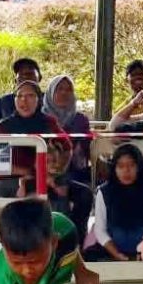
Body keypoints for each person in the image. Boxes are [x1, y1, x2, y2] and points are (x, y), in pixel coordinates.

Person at [83, 144, 143, 262]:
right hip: (110, 250)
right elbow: (100, 231)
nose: (126, 171)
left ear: (139, 167)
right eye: (120, 166)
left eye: (131, 165)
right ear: (114, 168)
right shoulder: (104, 192)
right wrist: (116, 254)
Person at [0, 80, 65, 199]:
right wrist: (30, 172)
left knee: (82, 193)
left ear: (39, 99)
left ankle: (59, 218)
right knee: (49, 191)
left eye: (30, 96)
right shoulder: (3, 126)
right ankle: (47, 217)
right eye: (19, 96)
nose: (23, 100)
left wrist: (58, 168)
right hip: (11, 179)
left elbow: (67, 147)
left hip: (44, 175)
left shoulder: (49, 122)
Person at [41, 74, 93, 238]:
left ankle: (77, 239)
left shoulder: (80, 120)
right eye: (59, 89)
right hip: (41, 174)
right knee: (58, 189)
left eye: (68, 89)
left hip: (72, 172)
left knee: (84, 194)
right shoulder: (41, 119)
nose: (64, 93)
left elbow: (83, 153)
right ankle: (56, 239)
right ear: (50, 93)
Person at [0, 58, 42, 122]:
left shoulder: (50, 101)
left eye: (30, 70)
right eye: (20, 72)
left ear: (39, 77)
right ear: (15, 81)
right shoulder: (2, 103)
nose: (25, 74)